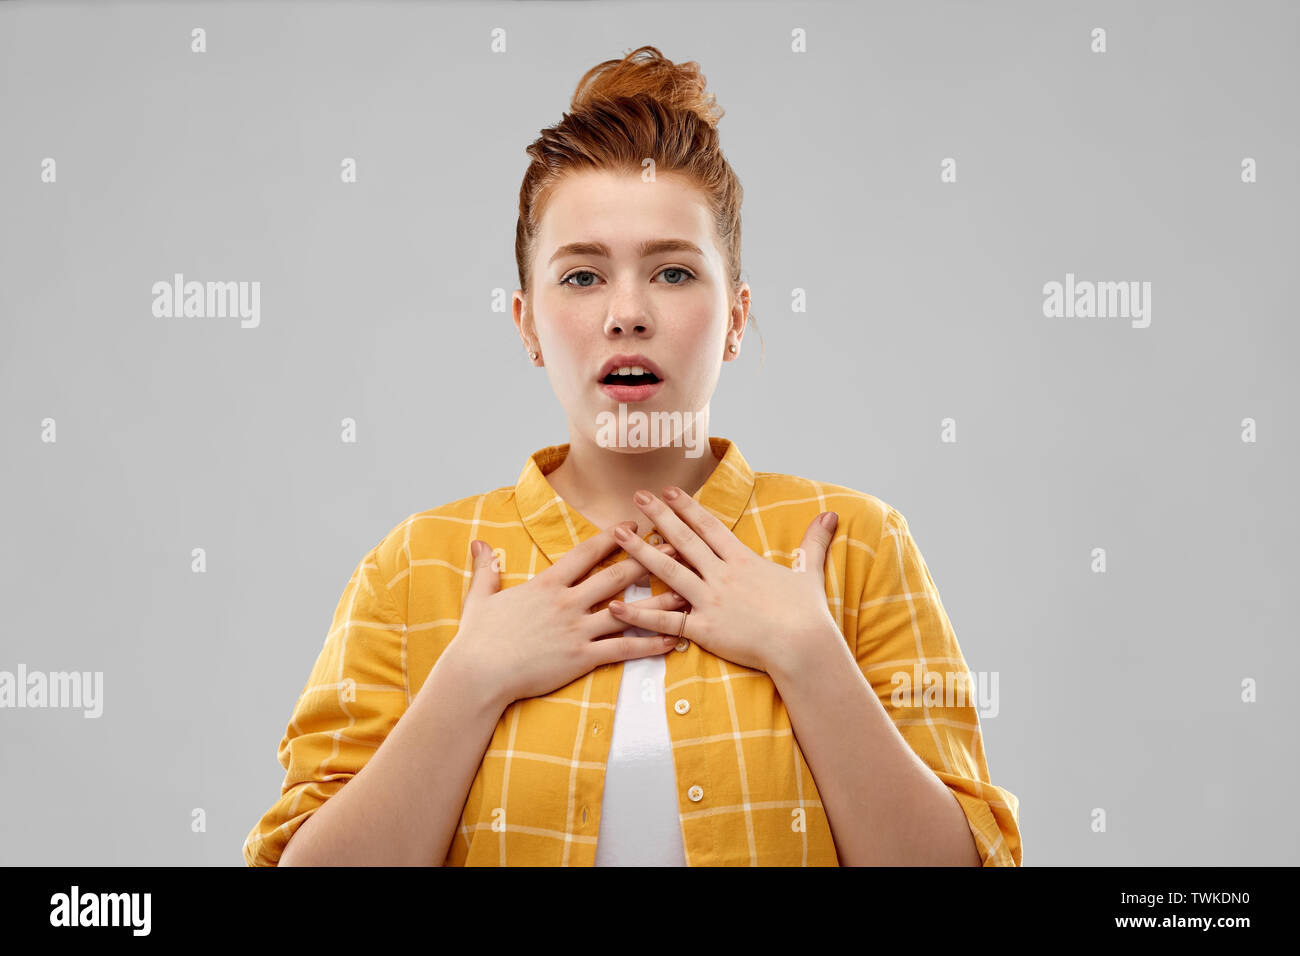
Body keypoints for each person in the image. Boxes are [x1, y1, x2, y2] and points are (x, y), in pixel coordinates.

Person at [243, 45, 1022, 867]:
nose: (627, 314)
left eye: (674, 272)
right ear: (525, 323)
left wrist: (810, 657)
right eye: (581, 278)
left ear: (735, 315)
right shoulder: (411, 573)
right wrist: (469, 680)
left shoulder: (858, 547)